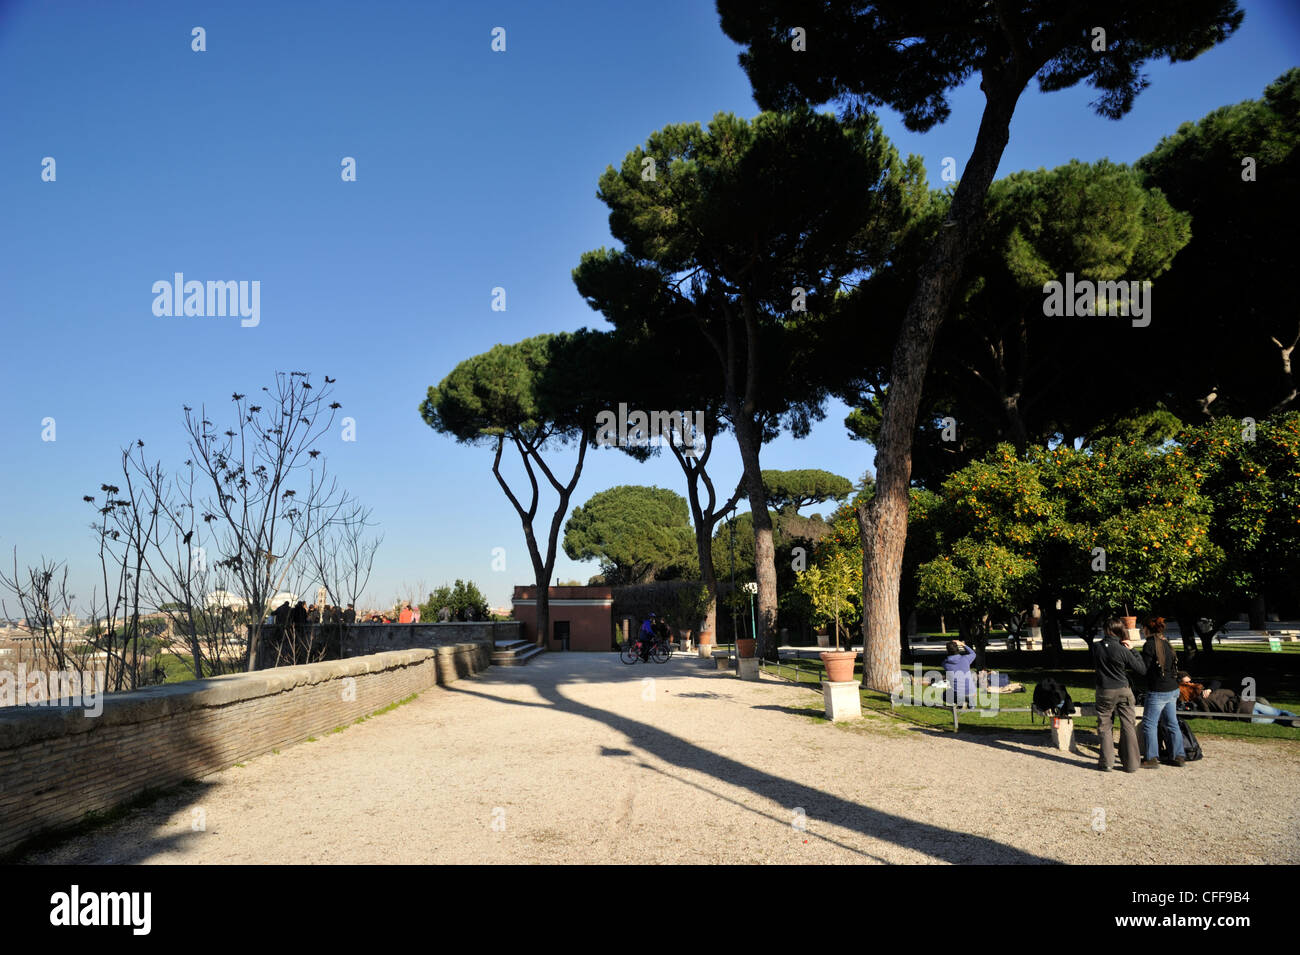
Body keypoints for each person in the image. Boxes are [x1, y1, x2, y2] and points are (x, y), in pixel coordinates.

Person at [1091, 617, 1148, 773]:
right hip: (1123, 689)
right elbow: (1142, 670)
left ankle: (1107, 762)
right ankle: (1131, 764)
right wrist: (1133, 650)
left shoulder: (1096, 647)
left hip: (1104, 690)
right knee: (1128, 725)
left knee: (1105, 726)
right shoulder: (1123, 649)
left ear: (1105, 630)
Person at [1138, 616, 1184, 768]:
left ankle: (1151, 758)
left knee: (1149, 724)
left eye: (1142, 628)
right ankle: (1178, 755)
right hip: (1172, 689)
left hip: (1158, 690)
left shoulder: (1149, 645)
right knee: (1172, 723)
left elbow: (1143, 669)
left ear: (1147, 629)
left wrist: (1132, 654)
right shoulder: (1166, 643)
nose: (1141, 631)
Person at [942, 640, 978, 707]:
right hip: (972, 691)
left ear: (947, 650)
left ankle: (961, 702)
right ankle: (970, 703)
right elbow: (973, 654)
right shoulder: (966, 659)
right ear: (957, 649)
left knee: (944, 695)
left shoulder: (945, 663)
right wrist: (963, 644)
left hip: (958, 692)